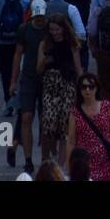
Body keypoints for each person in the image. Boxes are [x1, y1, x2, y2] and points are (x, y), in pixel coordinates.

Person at [8, 0, 51, 174]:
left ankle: (45, 158)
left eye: (42, 17)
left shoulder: (50, 29)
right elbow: (18, 55)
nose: (40, 20)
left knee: (45, 120)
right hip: (28, 78)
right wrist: (13, 81)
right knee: (26, 116)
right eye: (37, 17)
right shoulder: (24, 29)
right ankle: (27, 159)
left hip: (47, 79)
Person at [65, 73, 110, 181]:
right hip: (84, 162)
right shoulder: (75, 112)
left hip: (106, 160)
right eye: (84, 87)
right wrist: (69, 165)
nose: (87, 90)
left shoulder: (106, 106)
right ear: (79, 90)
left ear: (96, 88)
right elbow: (71, 141)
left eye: (91, 86)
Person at [36, 13, 83, 165]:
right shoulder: (44, 44)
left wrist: (81, 87)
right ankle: (46, 158)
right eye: (52, 30)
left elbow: (78, 68)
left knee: (65, 127)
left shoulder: (71, 43)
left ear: (64, 29)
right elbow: (38, 69)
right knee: (47, 122)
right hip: (50, 84)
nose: (54, 33)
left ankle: (61, 164)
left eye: (57, 30)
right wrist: (44, 61)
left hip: (67, 84)